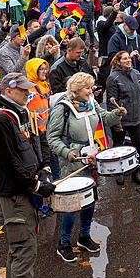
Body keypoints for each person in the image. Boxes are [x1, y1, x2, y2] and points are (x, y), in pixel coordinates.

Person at [46, 72, 125, 262]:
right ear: (76, 89)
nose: (92, 91)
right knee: (72, 204)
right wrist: (66, 153)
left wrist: (116, 114)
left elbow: (104, 118)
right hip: (73, 162)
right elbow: (52, 138)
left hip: (92, 158)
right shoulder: (62, 108)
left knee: (90, 198)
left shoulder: (91, 102)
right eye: (87, 88)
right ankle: (64, 244)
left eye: (91, 87)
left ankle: (83, 237)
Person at [0, 73, 56, 278]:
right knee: (24, 250)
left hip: (24, 188)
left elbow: (34, 142)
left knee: (20, 249)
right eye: (23, 90)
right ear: (8, 91)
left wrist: (43, 167)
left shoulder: (21, 112)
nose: (28, 93)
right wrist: (34, 184)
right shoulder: (0, 120)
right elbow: (8, 162)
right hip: (15, 193)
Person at [106, 51, 140, 185]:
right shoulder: (113, 78)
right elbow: (111, 102)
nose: (128, 60)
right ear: (118, 62)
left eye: (129, 58)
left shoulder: (136, 74)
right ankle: (118, 173)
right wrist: (116, 123)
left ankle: (135, 173)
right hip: (121, 119)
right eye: (124, 59)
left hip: (136, 118)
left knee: (138, 147)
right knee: (118, 147)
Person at [25, 58, 56, 177]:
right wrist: (31, 115)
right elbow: (20, 108)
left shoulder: (45, 85)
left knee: (52, 159)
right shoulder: (28, 88)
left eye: (45, 69)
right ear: (34, 71)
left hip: (48, 129)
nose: (45, 72)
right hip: (35, 133)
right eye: (41, 69)